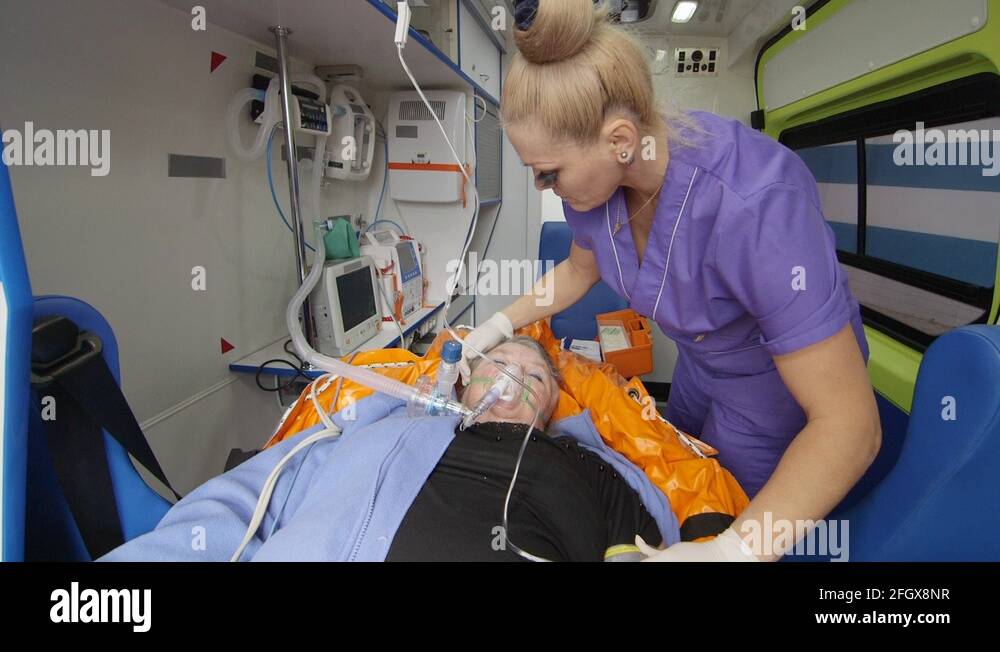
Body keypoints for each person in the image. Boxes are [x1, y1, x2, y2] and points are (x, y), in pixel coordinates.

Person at [458, 0, 881, 562]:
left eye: (548, 172)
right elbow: (580, 270)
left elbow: (851, 427)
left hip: (773, 390)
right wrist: (499, 322)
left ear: (620, 139)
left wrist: (733, 550)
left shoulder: (755, 204)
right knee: (671, 475)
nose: (542, 187)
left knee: (728, 512)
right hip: (697, 372)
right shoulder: (601, 193)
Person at [98, 337, 669, 562]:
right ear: (465, 380)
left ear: (549, 415)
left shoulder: (586, 465)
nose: (510, 382)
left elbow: (644, 549)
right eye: (498, 364)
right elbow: (248, 501)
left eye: (533, 379)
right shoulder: (380, 420)